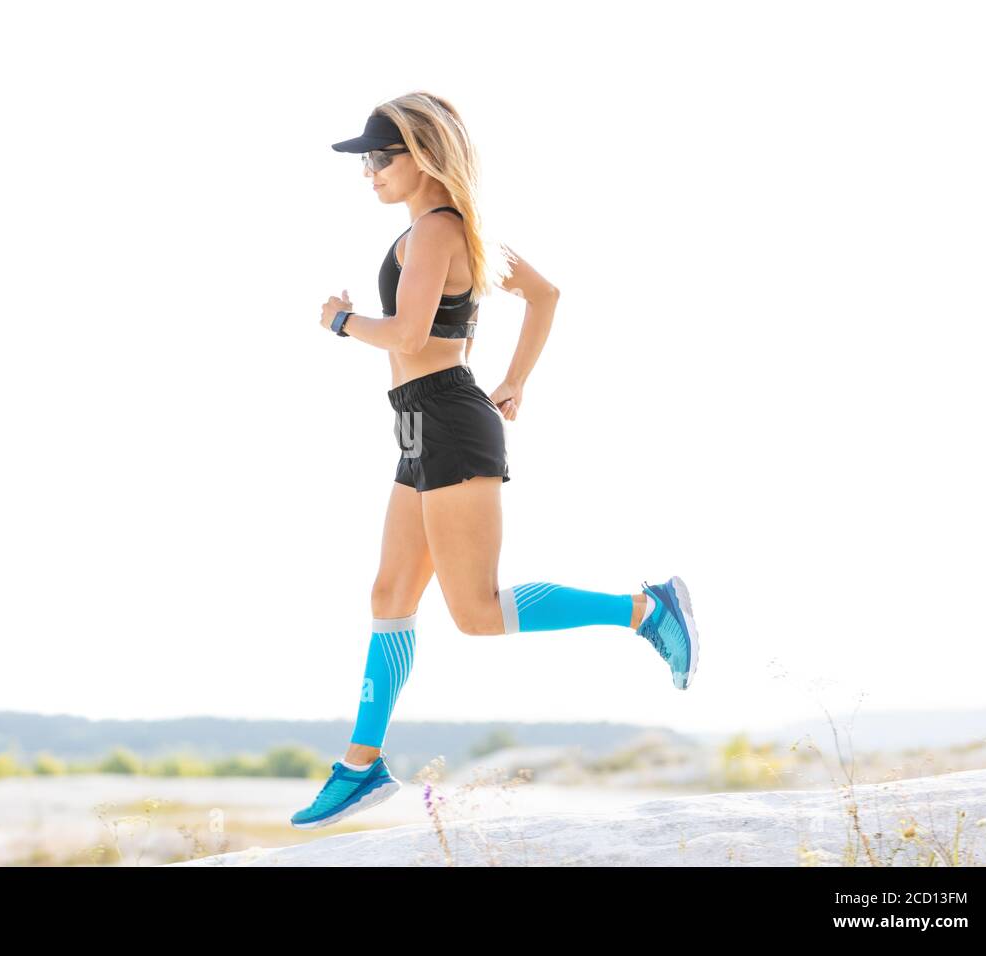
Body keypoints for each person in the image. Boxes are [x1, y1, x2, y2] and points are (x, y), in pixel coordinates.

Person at [290, 92, 699, 830]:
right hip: (420, 427)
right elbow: (542, 295)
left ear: (422, 155)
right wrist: (512, 382)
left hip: (446, 420)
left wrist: (340, 321)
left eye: (380, 157)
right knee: (389, 595)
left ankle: (647, 610)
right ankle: (360, 766)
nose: (369, 172)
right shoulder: (449, 231)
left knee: (476, 613)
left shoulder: (439, 231)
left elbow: (411, 336)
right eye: (365, 162)